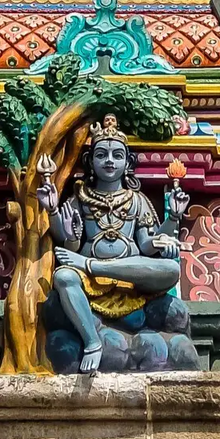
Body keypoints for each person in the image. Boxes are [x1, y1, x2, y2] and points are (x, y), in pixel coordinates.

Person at [37, 114, 189, 374]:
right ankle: (93, 342)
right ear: (91, 162)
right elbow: (70, 246)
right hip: (89, 282)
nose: (109, 161)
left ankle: (94, 265)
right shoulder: (81, 198)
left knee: (171, 270)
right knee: (63, 276)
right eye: (102, 155)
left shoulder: (136, 200)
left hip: (130, 277)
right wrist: (53, 211)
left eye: (117, 155)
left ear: (127, 163)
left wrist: (172, 219)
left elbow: (146, 245)